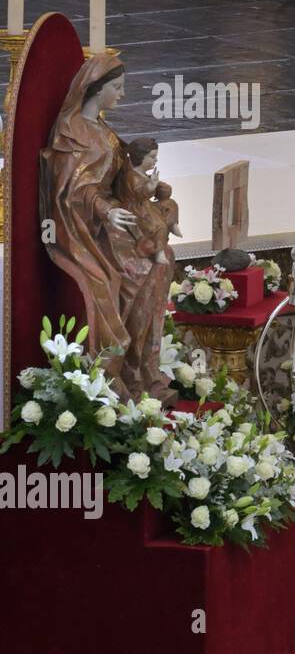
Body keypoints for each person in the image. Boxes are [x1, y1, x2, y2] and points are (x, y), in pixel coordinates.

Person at [39, 55, 173, 401]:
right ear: (96, 90)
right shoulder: (74, 134)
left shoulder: (101, 129)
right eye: (117, 88)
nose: (123, 95)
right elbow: (72, 192)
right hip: (85, 229)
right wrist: (106, 211)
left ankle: (143, 367)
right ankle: (122, 370)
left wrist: (145, 187)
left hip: (115, 216)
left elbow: (119, 176)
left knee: (161, 259)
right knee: (140, 269)